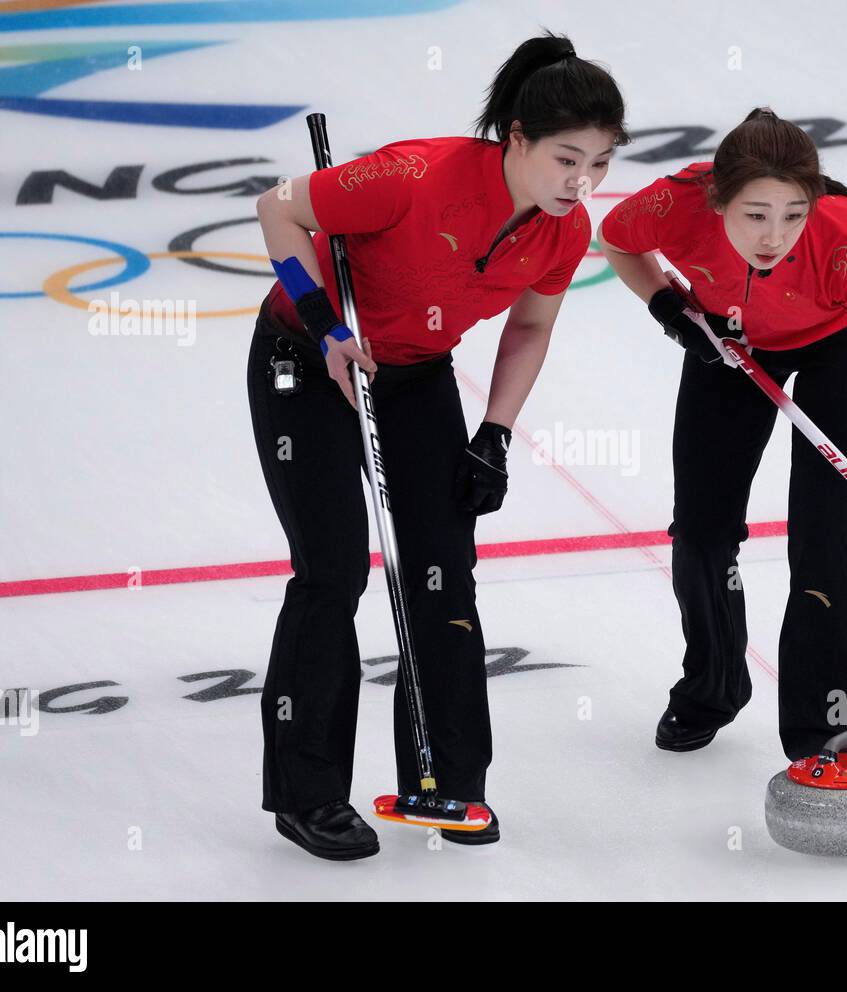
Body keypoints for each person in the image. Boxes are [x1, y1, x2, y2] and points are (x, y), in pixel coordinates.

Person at [249, 32, 628, 859]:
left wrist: (493, 433)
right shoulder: (415, 177)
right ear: (517, 139)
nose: (582, 182)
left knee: (442, 571)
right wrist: (322, 327)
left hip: (415, 376)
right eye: (567, 159)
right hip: (304, 366)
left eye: (598, 164)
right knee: (336, 569)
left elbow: (529, 327)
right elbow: (279, 207)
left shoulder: (564, 231)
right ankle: (306, 793)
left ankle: (442, 778)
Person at [598, 107, 847, 761]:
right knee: (701, 529)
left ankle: (834, 719)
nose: (773, 236)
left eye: (793, 214)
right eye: (755, 214)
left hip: (838, 349)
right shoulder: (674, 204)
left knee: (825, 530)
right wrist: (673, 312)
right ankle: (713, 685)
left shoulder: (846, 247)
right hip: (732, 341)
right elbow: (617, 241)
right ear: (717, 197)